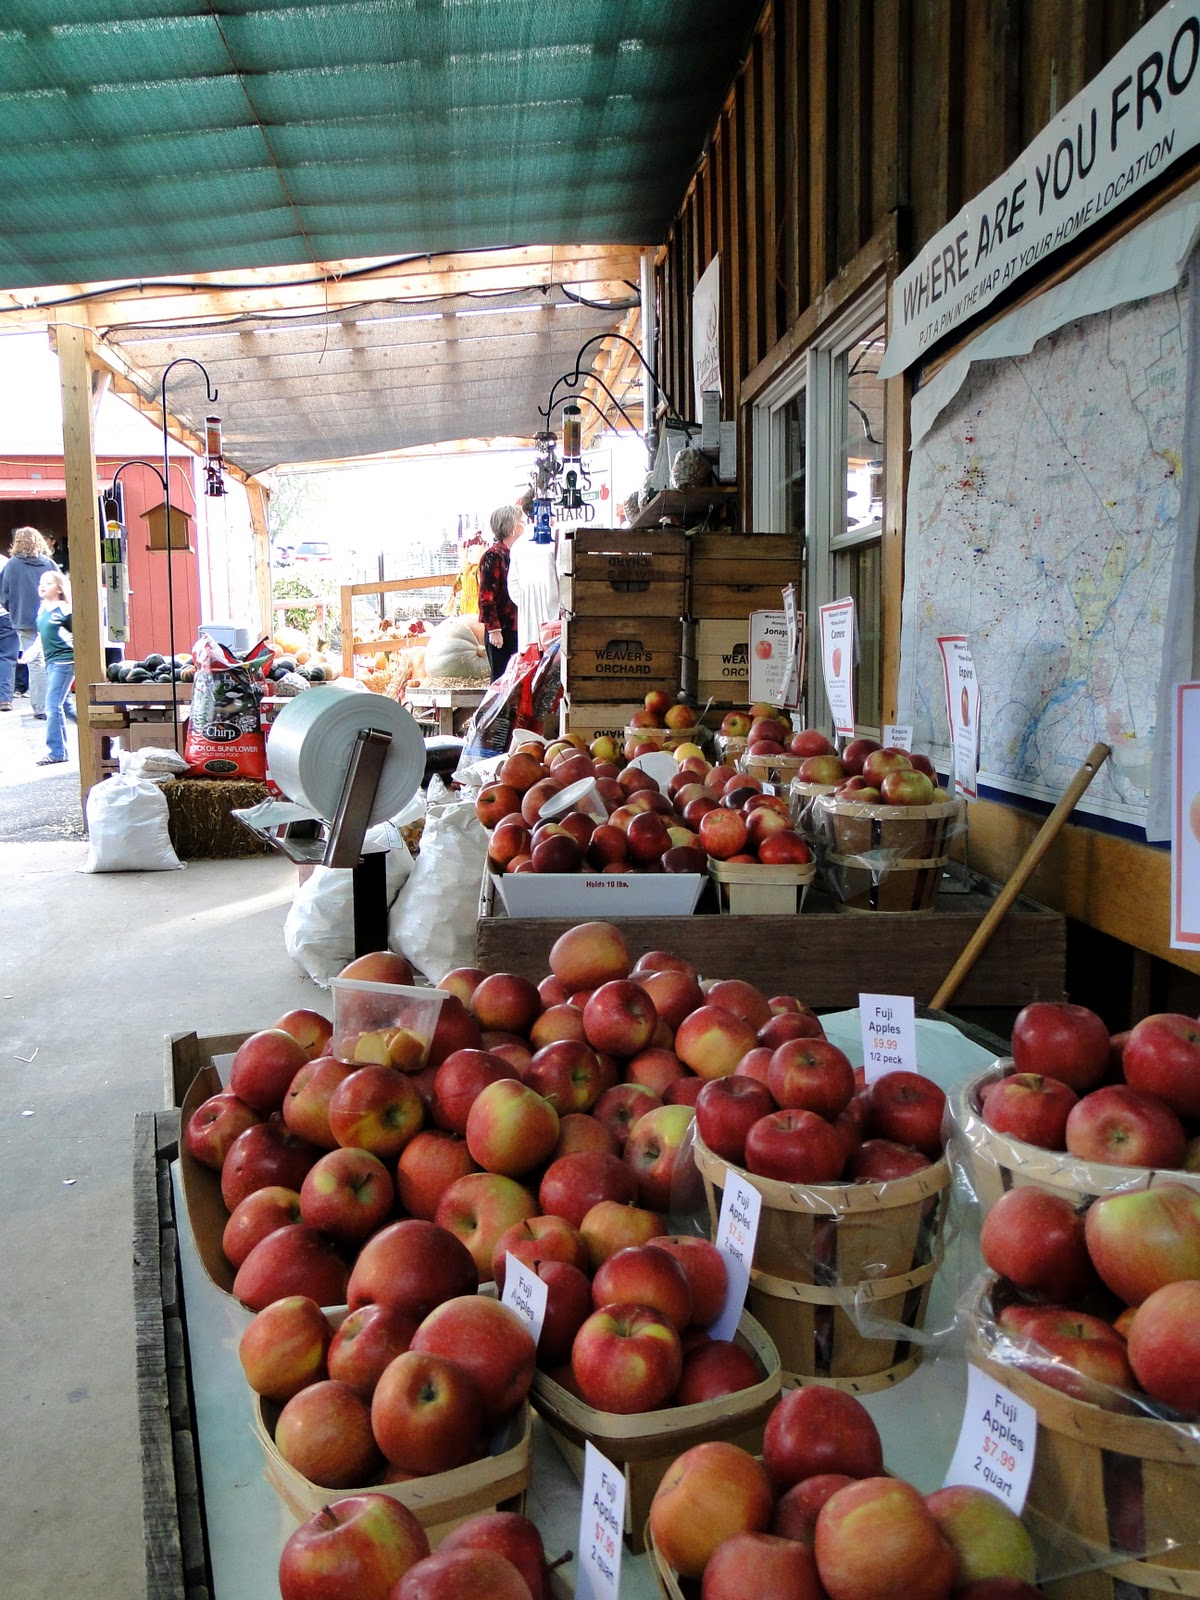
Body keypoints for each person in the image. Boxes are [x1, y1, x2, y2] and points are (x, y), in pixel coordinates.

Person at [0, 526, 59, 718]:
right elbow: (63, 589)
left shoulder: (12, 565)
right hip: (49, 618)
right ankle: (50, 705)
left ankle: (41, 707)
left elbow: (4, 594)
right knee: (51, 661)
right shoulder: (49, 564)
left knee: (34, 663)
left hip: (24, 621)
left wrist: (14, 610)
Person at [508, 498, 561, 651]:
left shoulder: (518, 545)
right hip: (555, 616)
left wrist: (527, 605)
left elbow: (513, 587)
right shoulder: (554, 540)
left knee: (530, 661)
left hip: (527, 620)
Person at [478, 505, 522, 680]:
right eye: (520, 522)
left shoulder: (515, 553)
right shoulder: (493, 556)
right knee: (501, 680)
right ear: (511, 527)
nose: (523, 525)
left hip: (516, 627)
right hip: (502, 630)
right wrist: (494, 630)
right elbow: (486, 597)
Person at [34, 569, 73, 766]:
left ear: (59, 588)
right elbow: (41, 637)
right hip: (49, 662)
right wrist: (28, 655)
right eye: (41, 582)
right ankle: (97, 727)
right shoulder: (42, 611)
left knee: (52, 705)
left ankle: (56, 751)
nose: (43, 586)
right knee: (65, 705)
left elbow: (77, 635)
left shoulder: (65, 610)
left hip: (64, 662)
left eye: (48, 583)